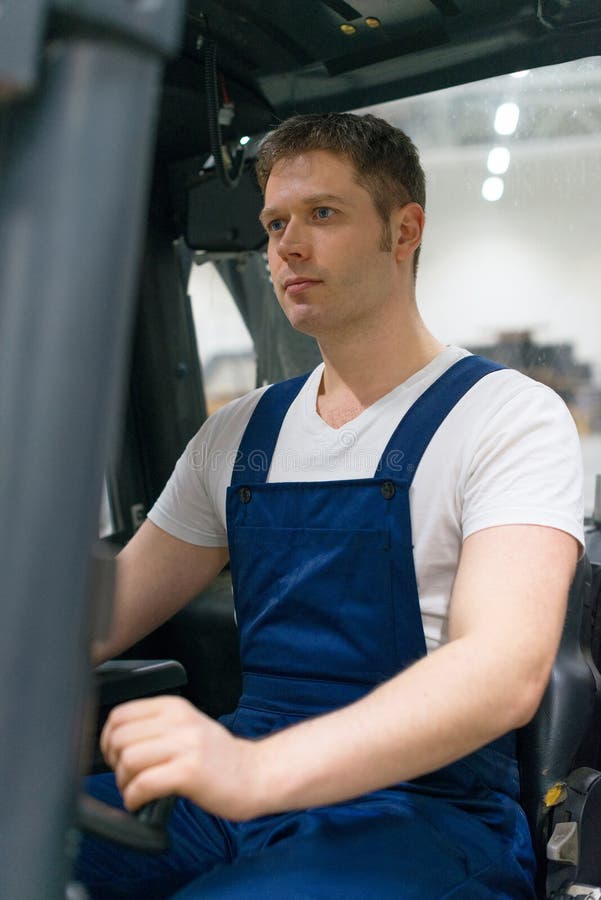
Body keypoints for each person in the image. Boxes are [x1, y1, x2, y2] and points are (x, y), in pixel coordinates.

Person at [76, 113, 583, 899]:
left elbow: (501, 671)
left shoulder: (507, 417)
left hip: (422, 810)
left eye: (322, 214)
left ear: (403, 229)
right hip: (237, 789)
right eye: (276, 222)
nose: (287, 246)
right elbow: (99, 618)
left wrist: (255, 770)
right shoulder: (237, 434)